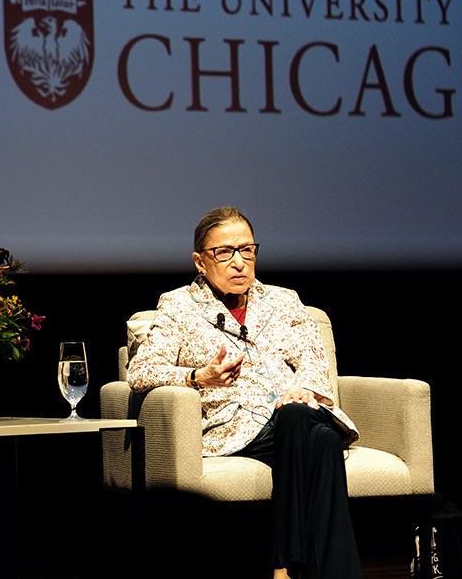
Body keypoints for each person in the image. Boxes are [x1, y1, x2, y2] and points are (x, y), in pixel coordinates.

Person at [127, 207, 363, 579]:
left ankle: (283, 566)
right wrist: (198, 376)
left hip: (295, 409)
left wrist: (303, 387)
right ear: (200, 261)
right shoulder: (178, 306)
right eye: (224, 252)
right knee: (324, 444)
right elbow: (140, 371)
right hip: (236, 427)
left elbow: (313, 357)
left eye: (247, 250)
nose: (239, 262)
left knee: (298, 415)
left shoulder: (284, 300)